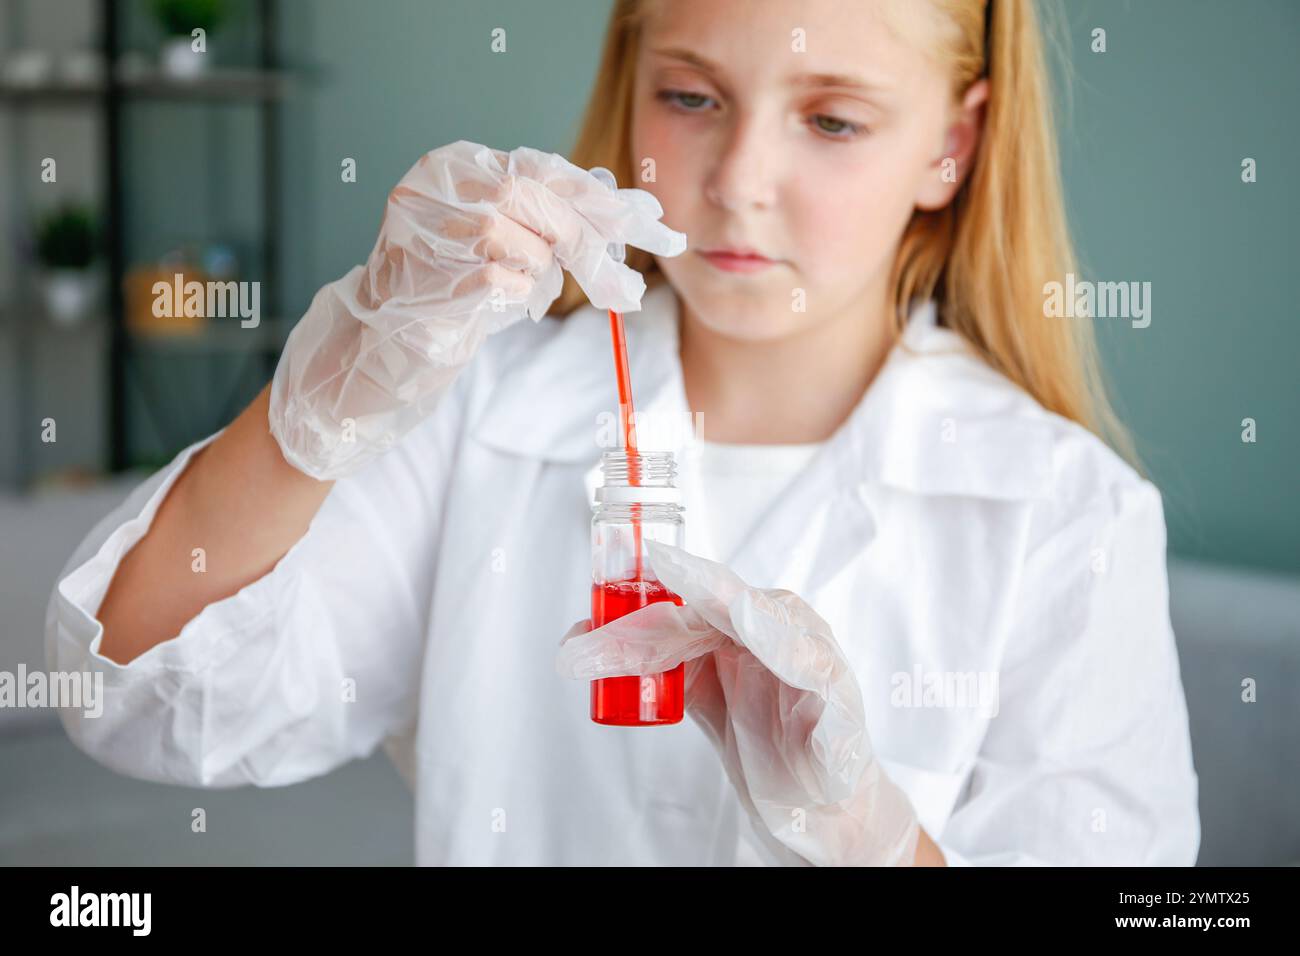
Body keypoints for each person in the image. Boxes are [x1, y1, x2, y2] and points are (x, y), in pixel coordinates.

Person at [46, 0, 1199, 865]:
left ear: (953, 143)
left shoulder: (1067, 514)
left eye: (833, 120)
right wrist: (321, 409)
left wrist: (870, 836)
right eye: (690, 98)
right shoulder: (475, 409)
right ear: (630, 75)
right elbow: (136, 700)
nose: (738, 181)